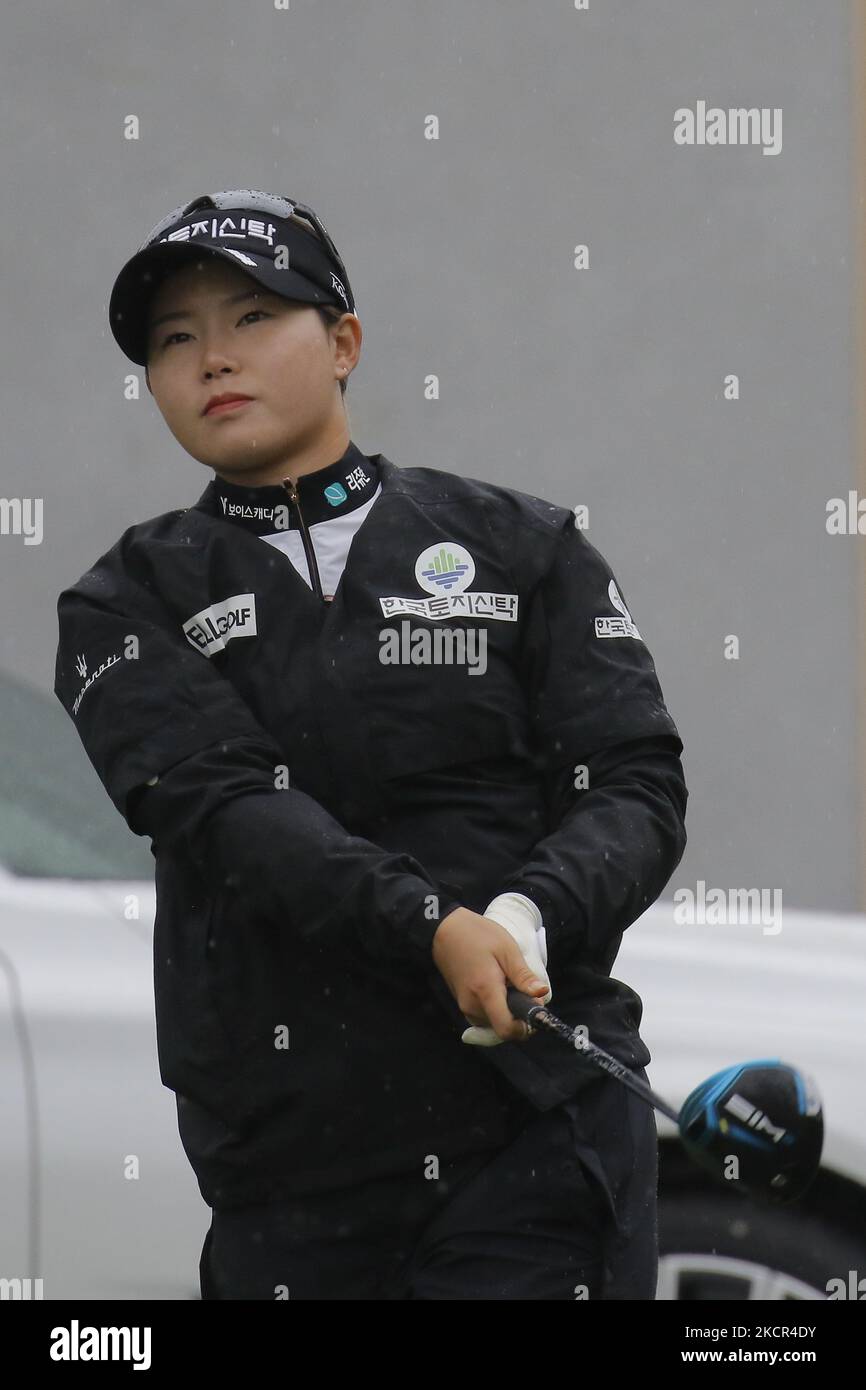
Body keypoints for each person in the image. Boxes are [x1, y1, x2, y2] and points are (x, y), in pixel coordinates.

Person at [54, 191, 688, 1300]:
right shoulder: (127, 598)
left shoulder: (519, 545)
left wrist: (523, 915)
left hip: (533, 1136)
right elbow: (225, 808)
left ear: (342, 342)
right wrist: (429, 927)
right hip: (289, 1178)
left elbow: (632, 785)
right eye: (173, 338)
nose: (212, 358)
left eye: (253, 316)